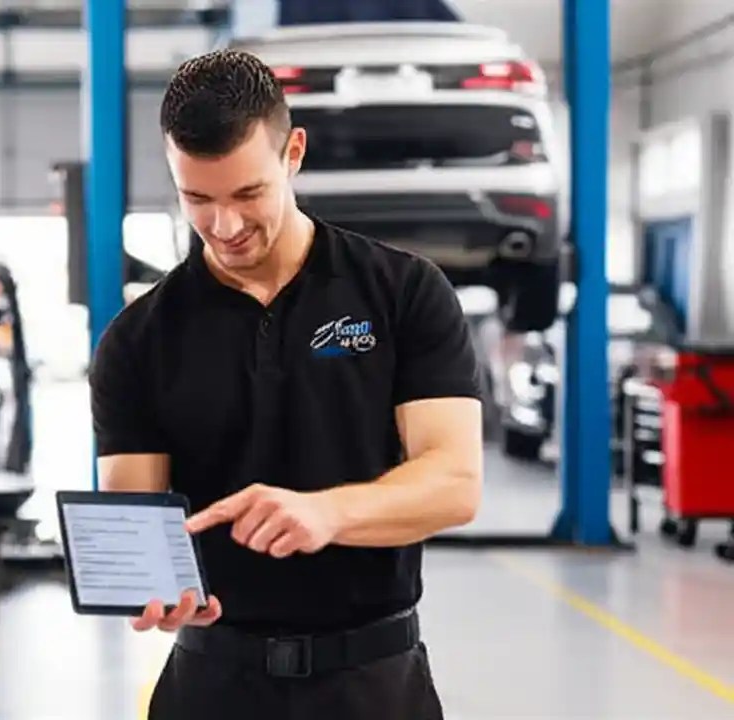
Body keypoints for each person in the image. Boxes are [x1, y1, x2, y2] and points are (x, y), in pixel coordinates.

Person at [89, 49, 484, 719]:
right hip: (212, 683)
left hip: (373, 682)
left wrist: (325, 514)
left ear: (292, 152)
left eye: (248, 194)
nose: (225, 226)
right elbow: (134, 512)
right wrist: (150, 586)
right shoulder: (139, 337)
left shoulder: (403, 293)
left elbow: (454, 484)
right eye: (198, 199)